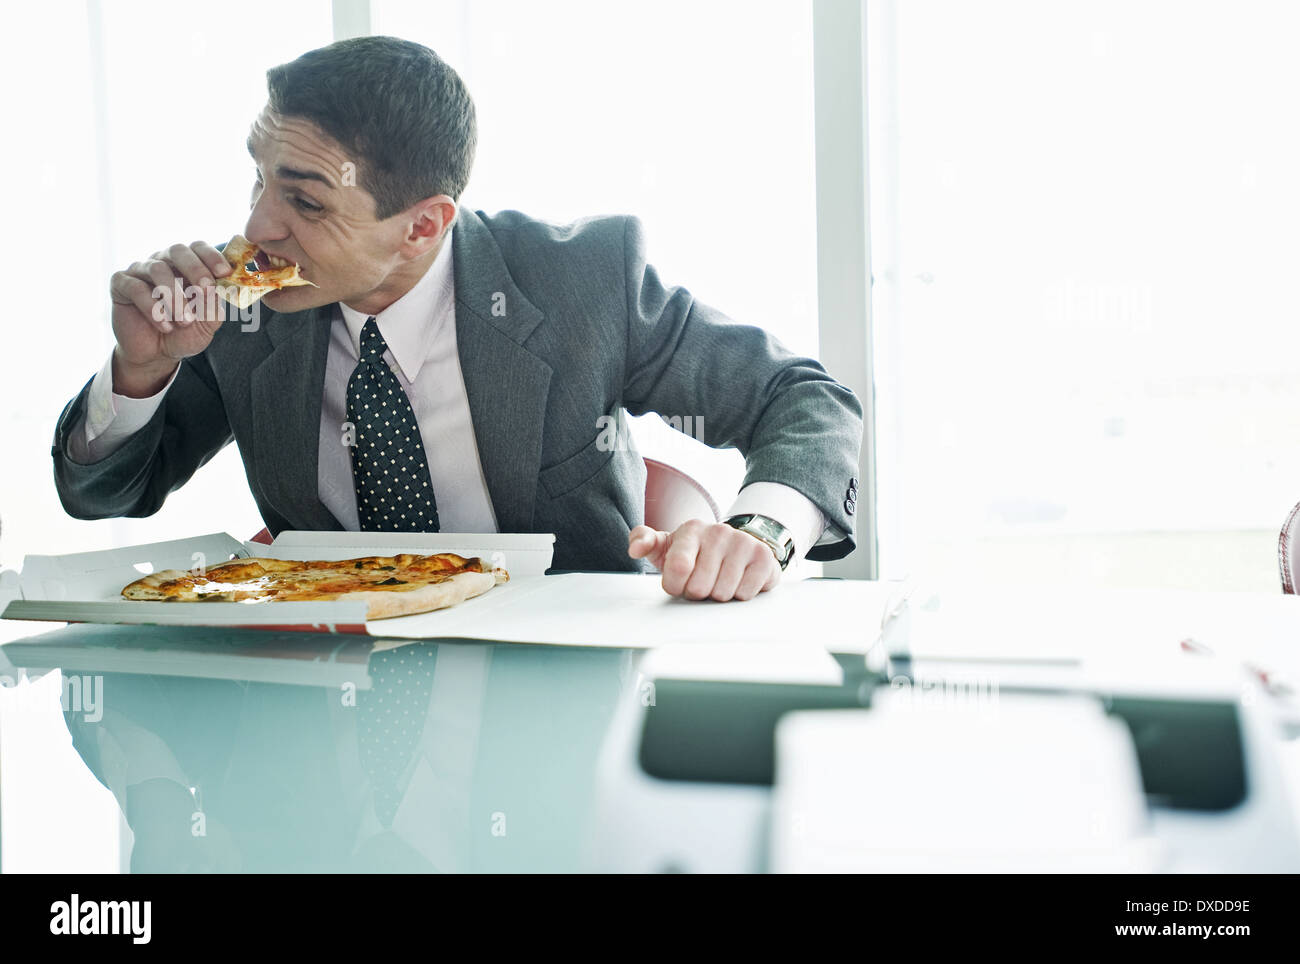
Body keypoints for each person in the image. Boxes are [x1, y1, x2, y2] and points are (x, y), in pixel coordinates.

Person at [52, 36, 863, 603]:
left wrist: (760, 530)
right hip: (328, 698)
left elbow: (802, 399)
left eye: (303, 199)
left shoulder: (582, 281)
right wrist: (141, 372)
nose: (257, 226)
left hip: (560, 696)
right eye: (259, 180)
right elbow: (106, 496)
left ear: (423, 225)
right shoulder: (241, 308)